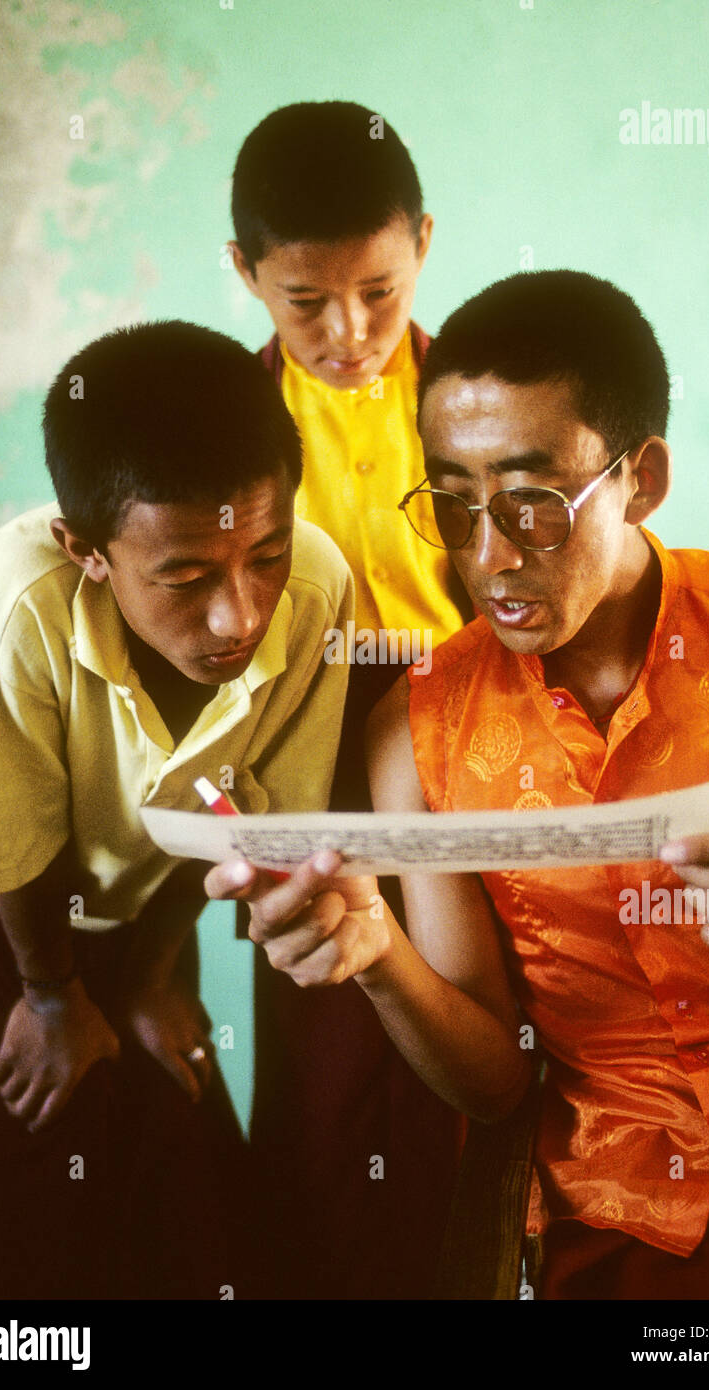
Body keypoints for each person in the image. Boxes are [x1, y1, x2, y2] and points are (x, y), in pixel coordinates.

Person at [207, 270, 709, 1300]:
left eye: (532, 504)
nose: (488, 558)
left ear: (644, 478)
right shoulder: (419, 727)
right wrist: (376, 952)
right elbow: (493, 1082)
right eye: (452, 501)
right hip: (625, 1219)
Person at [0, 320, 352, 1299]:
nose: (239, 618)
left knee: (188, 1183)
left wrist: (156, 975)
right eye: (185, 577)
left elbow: (245, 820)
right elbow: (1, 839)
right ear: (84, 550)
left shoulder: (320, 587)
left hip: (145, 920)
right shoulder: (15, 596)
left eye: (264, 555)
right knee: (33, 1188)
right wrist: (52, 999)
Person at [226, 101, 467, 1298]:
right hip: (302, 751)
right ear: (246, 277)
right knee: (322, 1065)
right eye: (304, 302)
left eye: (379, 290)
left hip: (470, 736)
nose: (349, 332)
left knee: (475, 1037)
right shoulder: (224, 419)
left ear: (422, 241)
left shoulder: (471, 392)